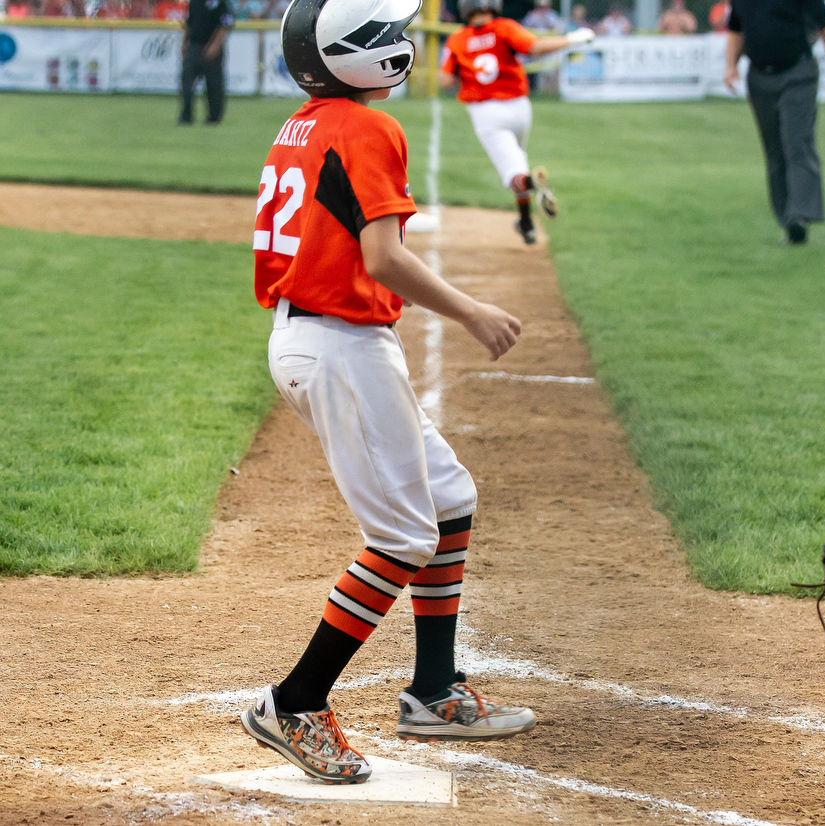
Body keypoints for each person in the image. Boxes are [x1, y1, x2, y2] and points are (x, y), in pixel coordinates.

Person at [240, 0, 534, 785]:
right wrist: (472, 312)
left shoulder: (304, 120)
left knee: (448, 498)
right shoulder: (369, 126)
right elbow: (383, 257)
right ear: (358, 53)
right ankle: (295, 703)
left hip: (317, 336)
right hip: (339, 344)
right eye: (389, 34)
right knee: (405, 538)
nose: (401, 43)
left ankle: (433, 693)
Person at [439, 0, 595, 245]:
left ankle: (535, 183)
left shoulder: (457, 39)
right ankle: (526, 223)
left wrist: (466, 70)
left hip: (487, 112)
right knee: (518, 160)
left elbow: (445, 81)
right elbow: (534, 47)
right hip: (520, 108)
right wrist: (572, 39)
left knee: (515, 174)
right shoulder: (505, 27)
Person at [723, 0, 825, 245]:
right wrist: (730, 66)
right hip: (759, 76)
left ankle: (799, 216)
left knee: (797, 142)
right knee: (774, 149)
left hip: (798, 72)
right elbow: (736, 29)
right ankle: (787, 218)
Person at [178, 0, 233, 125]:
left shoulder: (221, 2)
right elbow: (190, 22)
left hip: (213, 47)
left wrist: (215, 45)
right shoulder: (195, 2)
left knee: (214, 85)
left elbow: (225, 24)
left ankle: (213, 118)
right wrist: (184, 43)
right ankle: (186, 115)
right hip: (194, 46)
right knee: (186, 81)